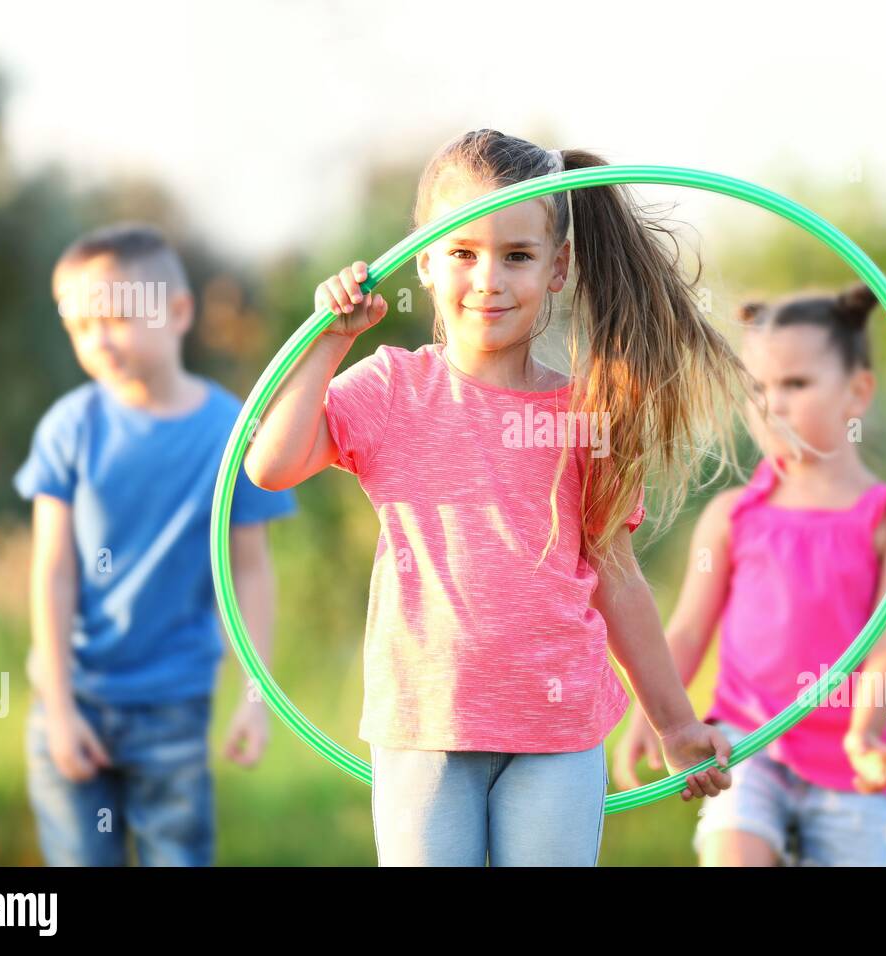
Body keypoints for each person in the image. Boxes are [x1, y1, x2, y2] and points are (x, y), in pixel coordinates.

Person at [244, 129, 800, 865]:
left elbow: (617, 574)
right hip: (427, 722)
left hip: (558, 729)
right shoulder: (391, 388)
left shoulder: (585, 415)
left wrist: (673, 724)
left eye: (517, 256)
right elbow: (270, 466)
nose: (489, 280)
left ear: (559, 265)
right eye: (464, 254)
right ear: (425, 259)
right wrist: (328, 339)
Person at [615, 284, 886, 866]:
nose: (773, 405)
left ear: (857, 393)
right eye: (757, 389)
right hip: (747, 745)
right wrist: (650, 715)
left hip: (847, 759)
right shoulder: (733, 516)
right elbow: (686, 631)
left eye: (795, 384)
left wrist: (865, 735)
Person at [14, 223, 297, 865]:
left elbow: (250, 573)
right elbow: (52, 572)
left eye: (113, 318)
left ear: (177, 311)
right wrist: (58, 707)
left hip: (173, 702)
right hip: (76, 695)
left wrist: (257, 698)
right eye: (80, 327)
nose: (98, 340)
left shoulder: (232, 431)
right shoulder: (69, 430)